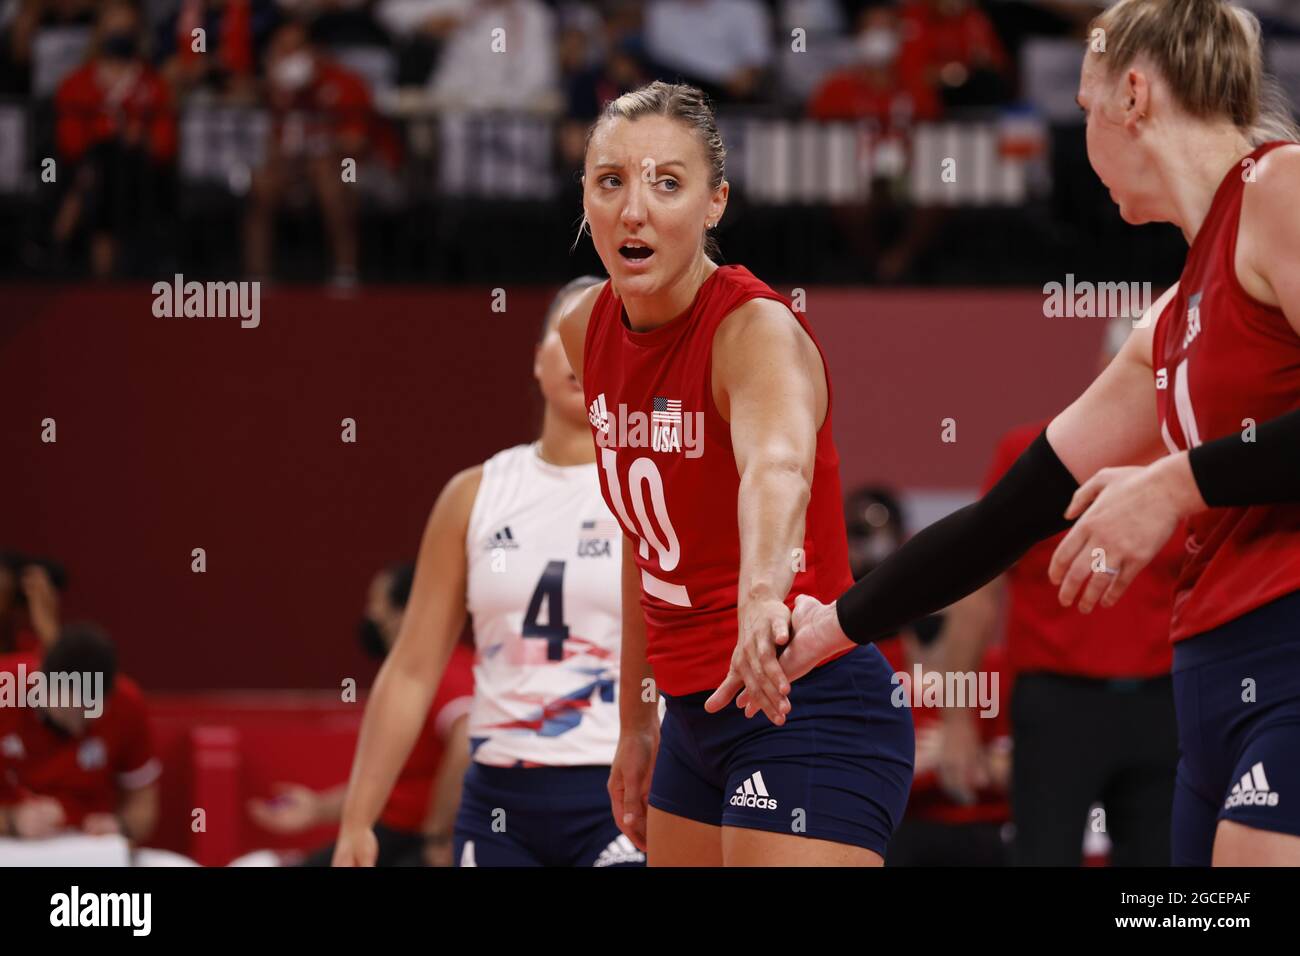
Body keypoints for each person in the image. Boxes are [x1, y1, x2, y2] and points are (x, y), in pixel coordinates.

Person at [773, 0, 1300, 867]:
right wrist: (832, 626)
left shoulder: (1279, 188)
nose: (1080, 135)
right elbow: (1006, 519)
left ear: (1134, 96)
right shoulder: (1169, 320)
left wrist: (1174, 484)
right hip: (1209, 676)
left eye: (1086, 108)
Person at [557, 80, 913, 867]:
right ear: (584, 195)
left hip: (804, 695)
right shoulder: (586, 328)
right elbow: (645, 545)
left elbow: (776, 469)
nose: (634, 209)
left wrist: (760, 596)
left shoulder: (753, 330)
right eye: (611, 181)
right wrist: (635, 721)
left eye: (667, 183)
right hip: (692, 717)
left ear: (714, 203)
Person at [332, 278, 644, 868]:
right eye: (567, 333)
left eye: (602, 335)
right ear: (536, 357)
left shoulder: (650, 487)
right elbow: (412, 668)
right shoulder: (475, 494)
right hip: (501, 797)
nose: (581, 352)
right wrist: (357, 819)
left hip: (621, 788)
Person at [937, 319, 1182, 866]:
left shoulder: (1187, 467)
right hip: (1058, 705)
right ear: (1107, 369)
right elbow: (977, 591)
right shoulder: (1036, 453)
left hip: (1166, 705)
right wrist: (957, 721)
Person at [247, 563, 474, 867]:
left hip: (418, 842)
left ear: (408, 611)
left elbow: (467, 742)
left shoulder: (447, 669)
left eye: (376, 604)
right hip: (392, 833)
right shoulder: (410, 677)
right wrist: (317, 808)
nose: (371, 616)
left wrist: (439, 835)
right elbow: (393, 789)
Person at [0, 624, 160, 844]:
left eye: (89, 710)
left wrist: (122, 826)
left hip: (87, 846)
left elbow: (142, 801)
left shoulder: (127, 704)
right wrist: (11, 820)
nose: (77, 724)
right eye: (68, 708)